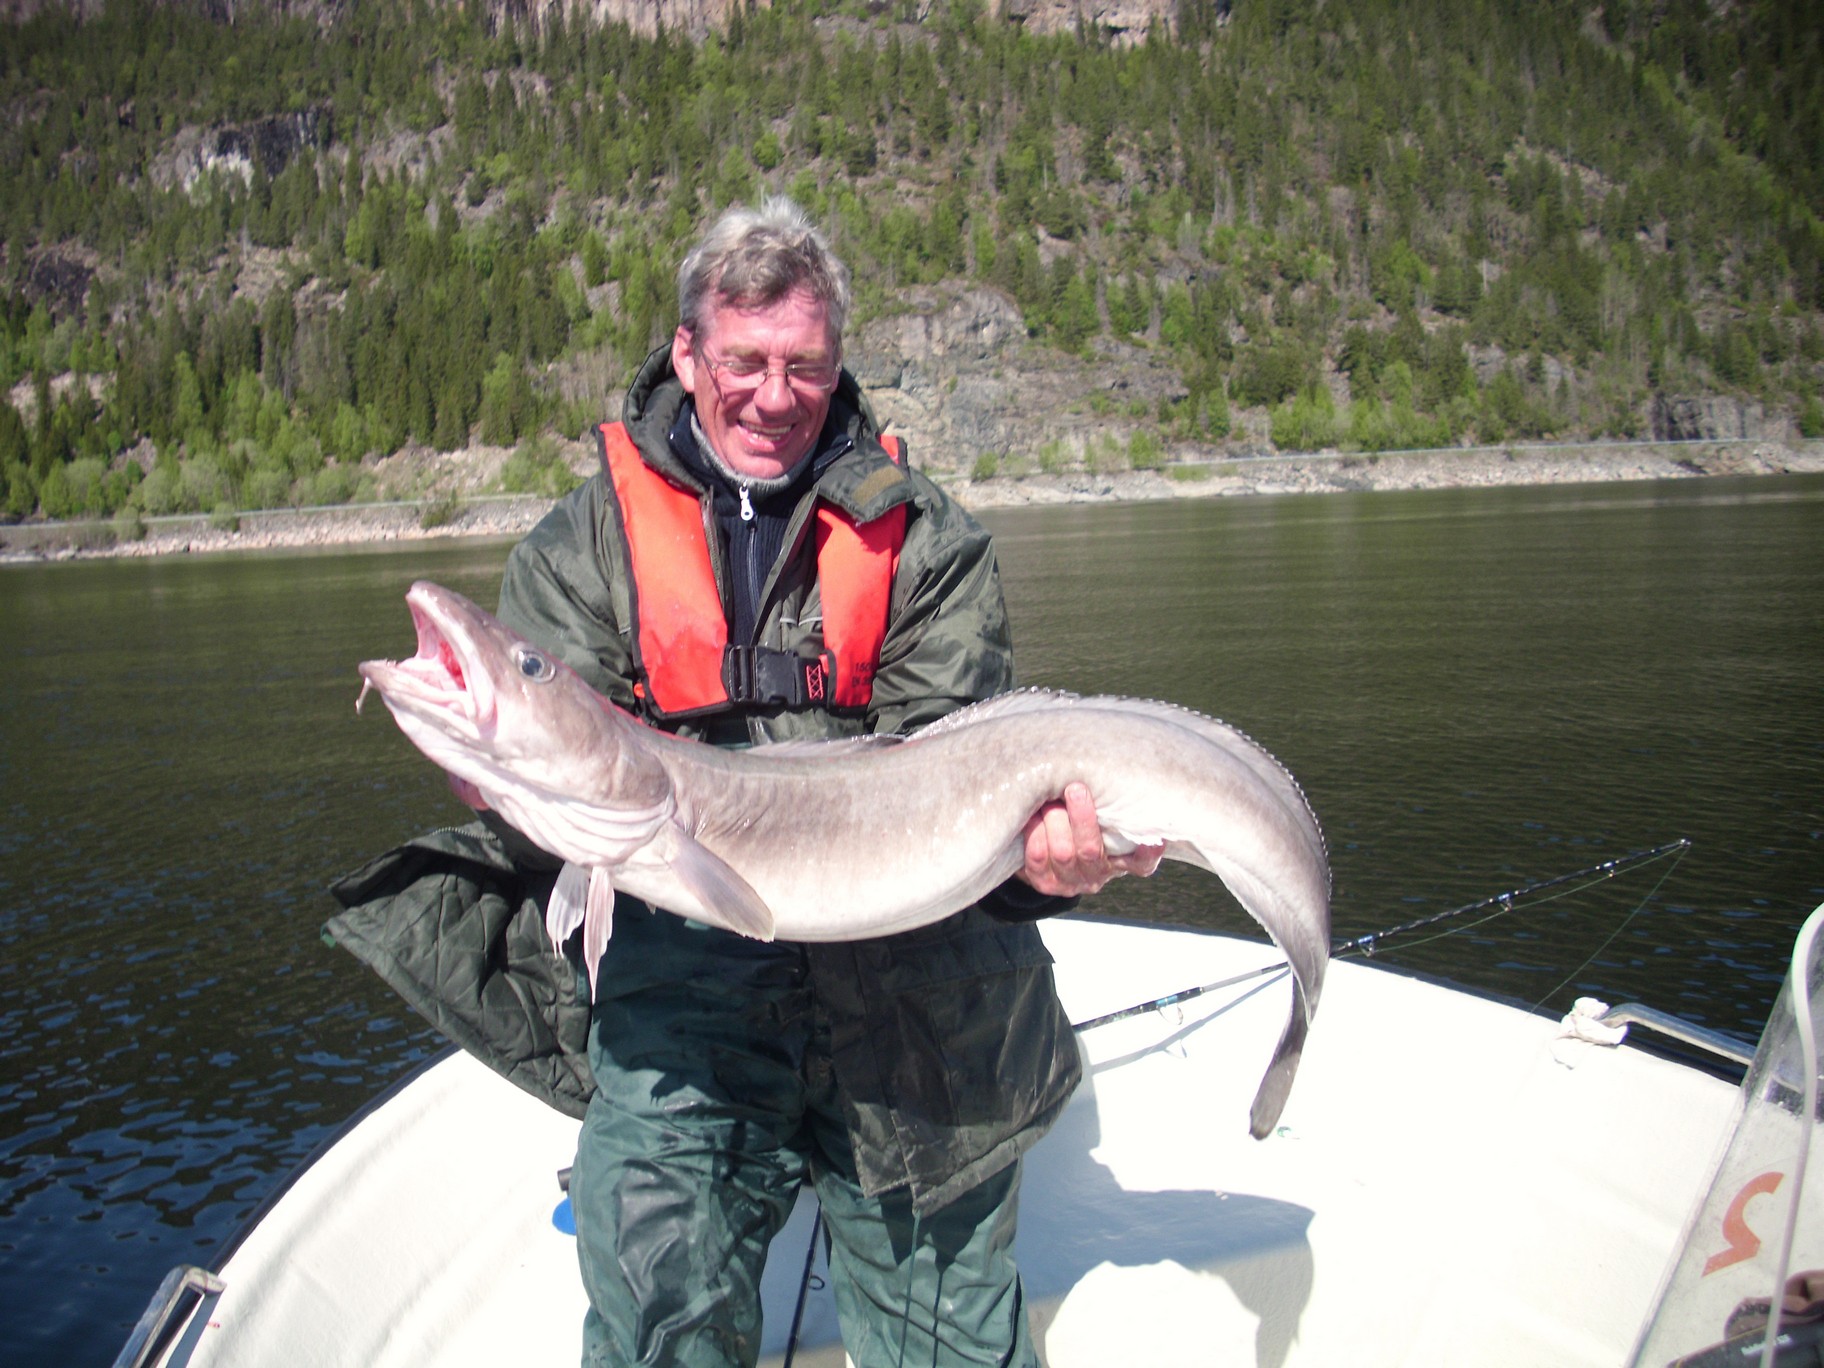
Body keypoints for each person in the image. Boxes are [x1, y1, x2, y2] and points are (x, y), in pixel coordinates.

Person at [333, 196, 1160, 1368]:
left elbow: (973, 826)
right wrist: (501, 781)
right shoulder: (584, 553)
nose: (776, 394)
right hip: (686, 1001)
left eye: (806, 366)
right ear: (686, 353)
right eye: (745, 361)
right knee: (655, 1314)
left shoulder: (927, 545)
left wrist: (1046, 875)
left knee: (955, 1350)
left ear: (837, 365)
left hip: (917, 991)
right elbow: (563, 806)